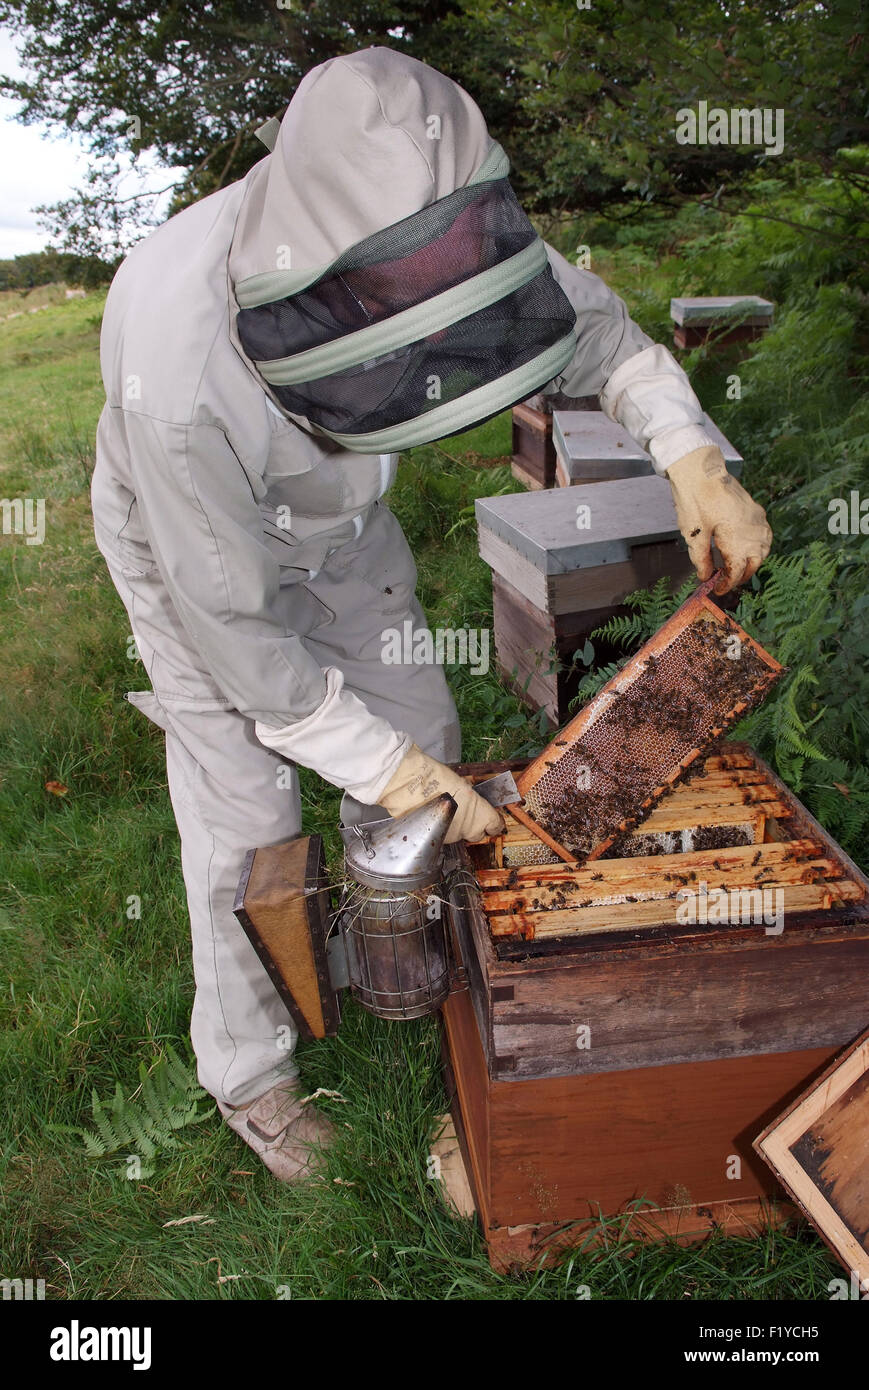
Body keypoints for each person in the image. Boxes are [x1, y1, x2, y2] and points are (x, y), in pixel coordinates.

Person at [92, 46, 772, 1182]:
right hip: (191, 543)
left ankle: (411, 952)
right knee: (245, 809)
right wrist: (380, 769)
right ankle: (249, 1073)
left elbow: (598, 336)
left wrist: (690, 455)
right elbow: (246, 643)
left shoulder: (437, 225)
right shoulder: (175, 370)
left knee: (424, 729)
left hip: (347, 524)